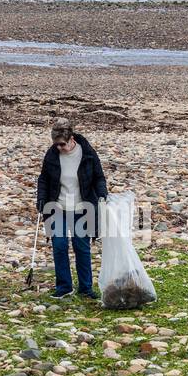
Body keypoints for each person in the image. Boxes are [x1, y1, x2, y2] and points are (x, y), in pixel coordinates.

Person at [36, 118, 108, 299]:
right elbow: (43, 178)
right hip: (57, 207)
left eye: (62, 144)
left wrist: (102, 196)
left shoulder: (87, 153)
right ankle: (64, 287)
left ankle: (86, 288)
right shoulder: (52, 154)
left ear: (71, 139)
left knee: (81, 247)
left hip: (82, 208)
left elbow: (99, 177)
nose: (59, 148)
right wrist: (41, 199)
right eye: (56, 144)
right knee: (59, 246)